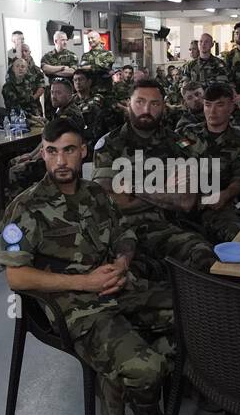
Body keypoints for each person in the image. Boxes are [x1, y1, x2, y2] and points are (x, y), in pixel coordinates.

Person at [0, 118, 173, 415]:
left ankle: (114, 379)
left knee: (194, 325)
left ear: (83, 152)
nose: (60, 161)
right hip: (76, 309)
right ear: (43, 154)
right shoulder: (27, 207)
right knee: (148, 369)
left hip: (119, 286)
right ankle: (143, 405)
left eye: (68, 150)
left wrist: (122, 262)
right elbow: (16, 276)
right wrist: (87, 283)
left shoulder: (95, 193)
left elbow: (124, 233)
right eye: (51, 152)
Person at [92, 80, 217, 274]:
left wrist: (133, 186)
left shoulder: (177, 143)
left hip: (167, 227)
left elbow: (185, 200)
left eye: (155, 103)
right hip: (120, 230)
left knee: (203, 255)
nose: (147, 109)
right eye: (140, 102)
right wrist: (165, 192)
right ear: (128, 103)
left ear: (163, 106)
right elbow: (110, 202)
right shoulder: (109, 145)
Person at [179, 83, 240, 243]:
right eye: (208, 105)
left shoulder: (239, 140)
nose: (212, 111)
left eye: (219, 105)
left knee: (239, 240)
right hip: (181, 204)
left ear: (231, 107)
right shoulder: (188, 133)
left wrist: (225, 194)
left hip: (218, 206)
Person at [7, 78, 84, 195]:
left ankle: (20, 207)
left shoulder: (69, 114)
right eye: (52, 92)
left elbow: (54, 145)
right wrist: (30, 155)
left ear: (69, 95)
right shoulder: (61, 110)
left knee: (16, 171)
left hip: (62, 160)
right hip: (52, 155)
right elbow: (46, 140)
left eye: (58, 93)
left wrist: (32, 158)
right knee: (13, 161)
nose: (53, 96)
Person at [3, 53, 46, 118]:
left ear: (26, 70)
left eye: (23, 67)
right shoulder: (8, 86)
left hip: (33, 116)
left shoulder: (27, 83)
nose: (20, 68)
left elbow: (32, 102)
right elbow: (15, 108)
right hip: (18, 119)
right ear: (13, 69)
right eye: (17, 66)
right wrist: (32, 117)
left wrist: (38, 115)